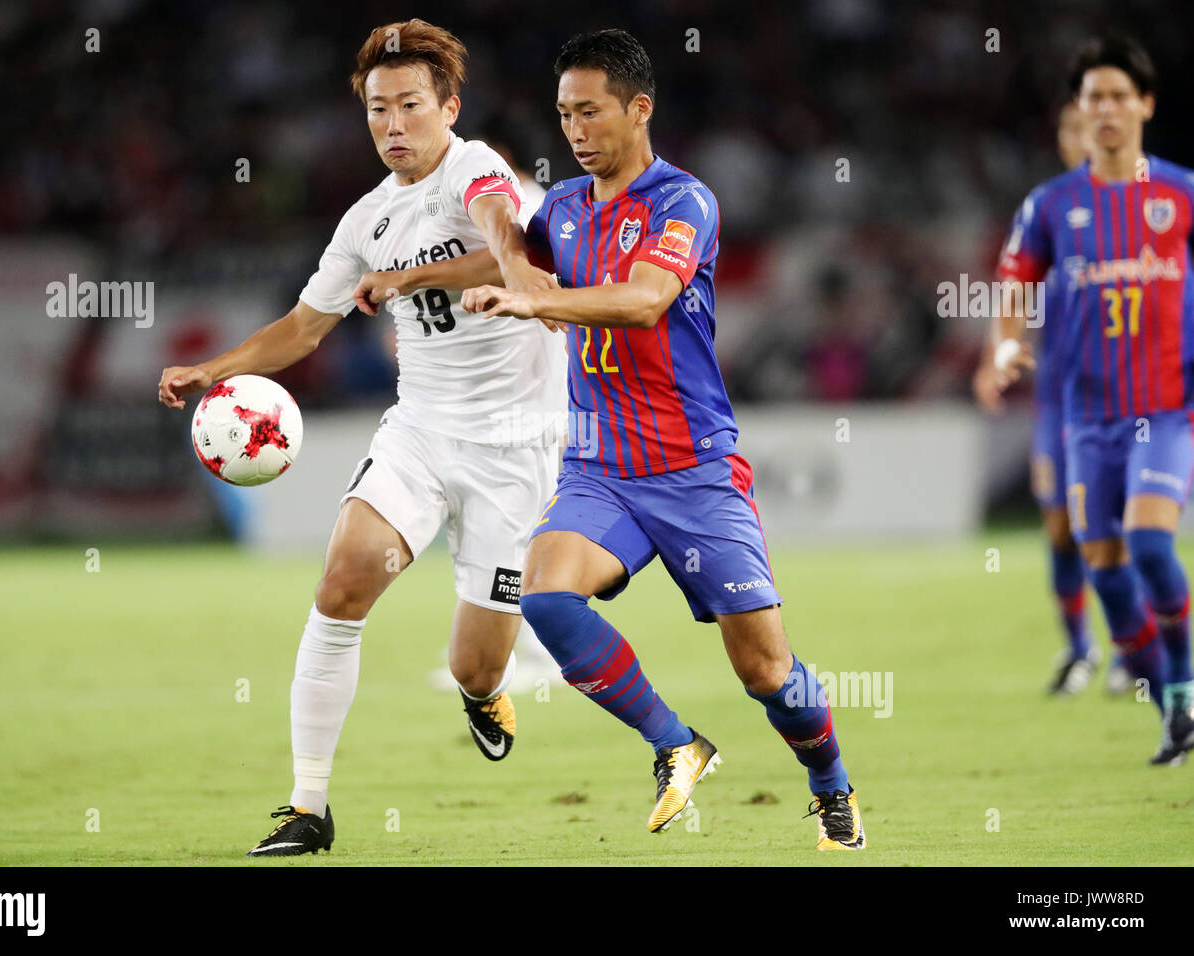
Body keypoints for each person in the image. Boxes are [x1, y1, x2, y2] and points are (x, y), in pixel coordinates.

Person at [385, 29, 865, 848]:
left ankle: (831, 783)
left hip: (693, 470)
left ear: (639, 110)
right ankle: (675, 742)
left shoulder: (686, 203)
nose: (575, 129)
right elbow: (509, 266)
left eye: (591, 112)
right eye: (565, 113)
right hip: (600, 469)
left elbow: (643, 301)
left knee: (766, 673)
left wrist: (539, 305)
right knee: (544, 598)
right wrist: (410, 277)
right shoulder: (565, 206)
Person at [157, 18, 567, 855]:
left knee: (476, 665)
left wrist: (412, 277)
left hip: (514, 450)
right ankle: (309, 805)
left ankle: (484, 692)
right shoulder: (365, 220)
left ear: (449, 107)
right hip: (420, 432)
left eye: (410, 105)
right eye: (378, 109)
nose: (392, 125)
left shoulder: (480, 170)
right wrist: (217, 369)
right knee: (342, 584)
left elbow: (515, 254)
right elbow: (305, 329)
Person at [992, 34, 1194, 765]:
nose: (1105, 108)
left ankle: (1184, 687)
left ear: (1143, 104)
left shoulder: (1180, 193)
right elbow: (1013, 281)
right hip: (1085, 419)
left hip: (1166, 410)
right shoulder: (1052, 204)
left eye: (1117, 95)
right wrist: (1007, 344)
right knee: (1104, 566)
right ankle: (1166, 696)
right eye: (1092, 98)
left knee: (1147, 542)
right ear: (1080, 111)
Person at [974, 100, 1126, 696]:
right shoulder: (1050, 210)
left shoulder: (1137, 211)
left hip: (1123, 398)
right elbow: (1011, 289)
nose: (1082, 138)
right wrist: (1000, 355)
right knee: (1061, 525)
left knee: (1115, 526)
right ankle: (1079, 648)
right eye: (1071, 129)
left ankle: (1131, 653)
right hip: (1059, 400)